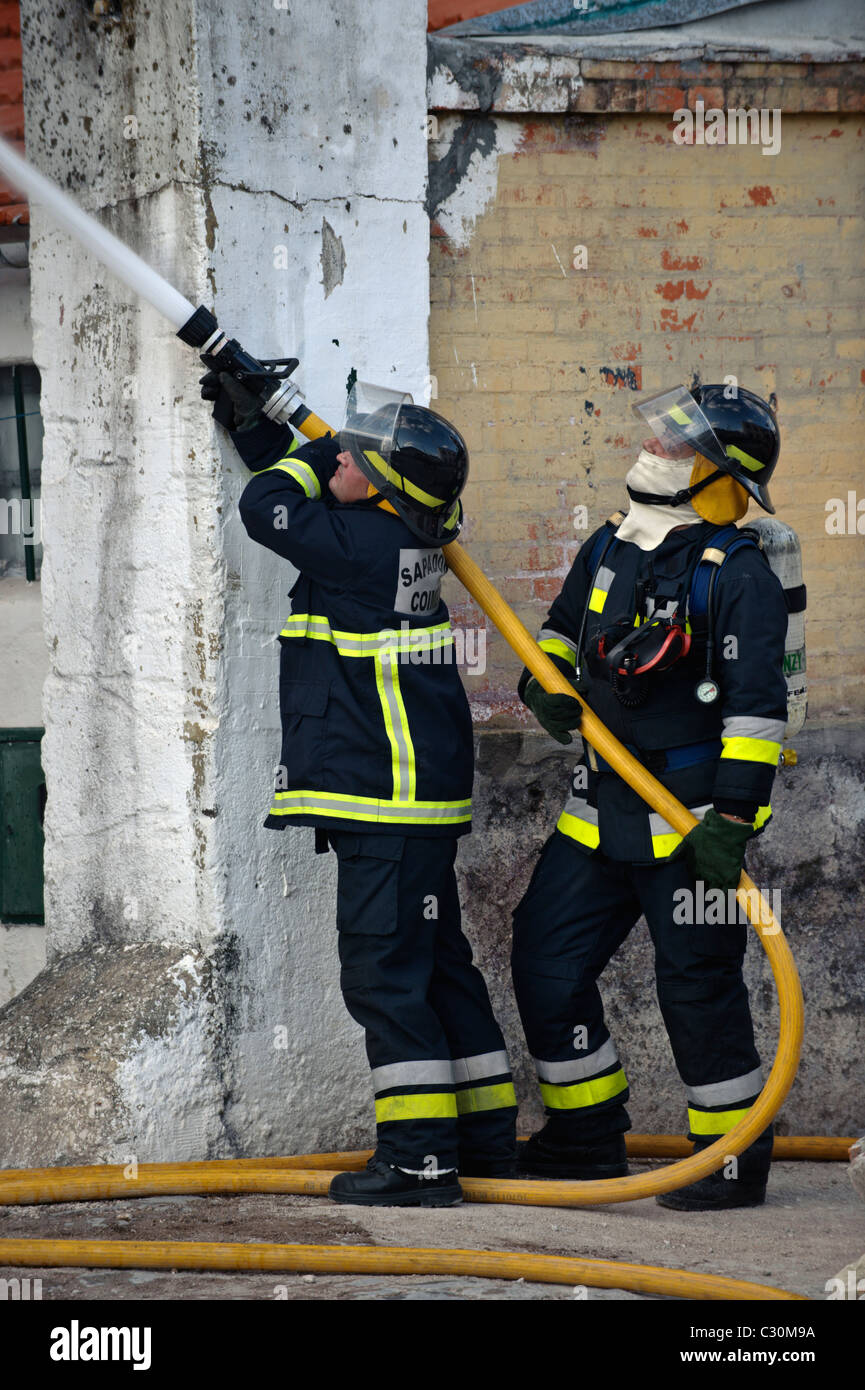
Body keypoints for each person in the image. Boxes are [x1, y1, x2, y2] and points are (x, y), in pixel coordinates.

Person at [200, 371, 517, 1206]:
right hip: (412, 804)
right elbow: (311, 496)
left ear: (376, 486)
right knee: (439, 965)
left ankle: (418, 1163)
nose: (339, 453)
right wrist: (256, 424)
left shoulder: (365, 548)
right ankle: (485, 1140)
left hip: (386, 803)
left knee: (383, 974)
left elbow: (270, 506)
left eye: (355, 452)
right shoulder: (400, 532)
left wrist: (302, 454)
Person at [512, 383, 789, 1211]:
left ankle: (731, 1160)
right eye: (662, 438)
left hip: (691, 822)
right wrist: (542, 682)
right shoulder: (608, 546)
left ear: (718, 478)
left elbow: (754, 712)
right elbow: (558, 632)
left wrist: (732, 824)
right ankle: (586, 1137)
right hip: (599, 810)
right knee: (544, 958)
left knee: (697, 986)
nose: (657, 451)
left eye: (680, 445)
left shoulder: (738, 576)